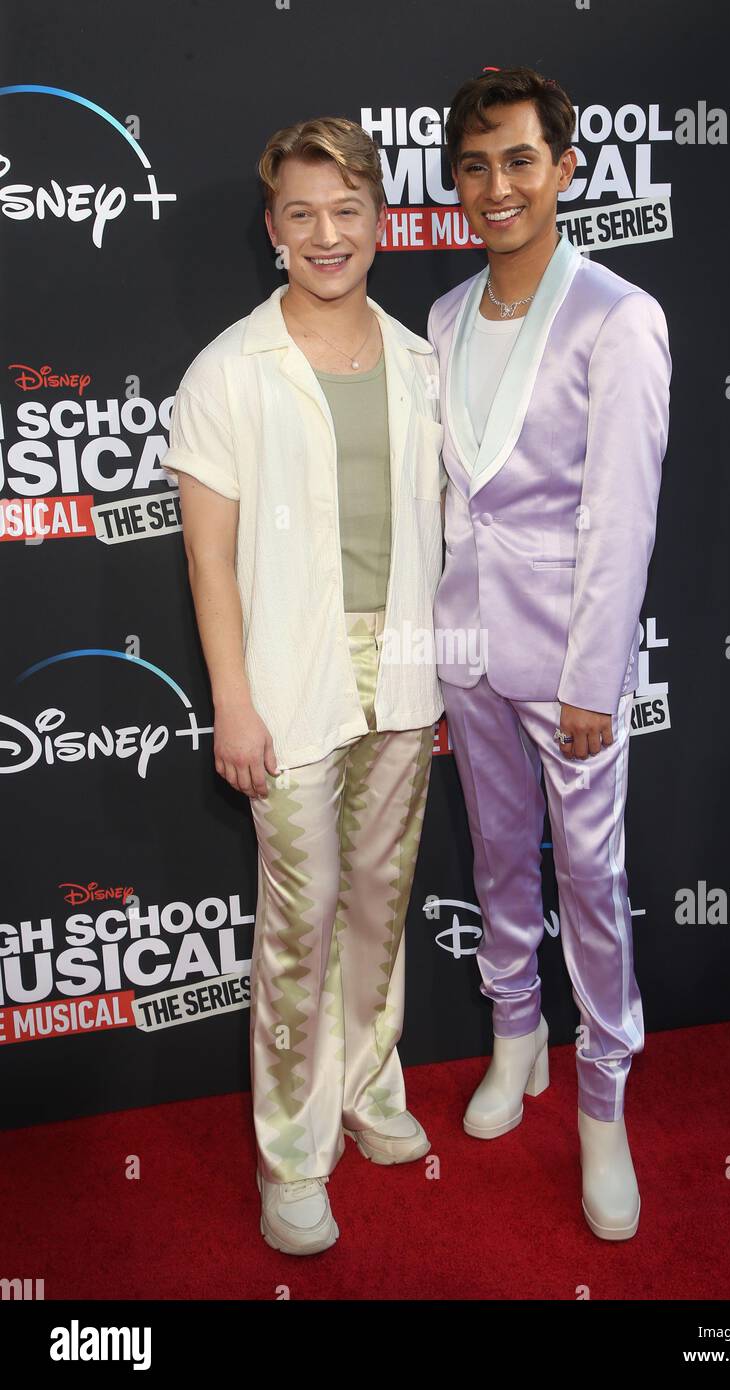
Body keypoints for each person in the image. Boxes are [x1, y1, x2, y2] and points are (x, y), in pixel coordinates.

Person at [161, 117, 446, 1255]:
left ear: (378, 219)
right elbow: (207, 557)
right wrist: (233, 698)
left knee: (380, 901)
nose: (327, 235)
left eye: (347, 211)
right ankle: (290, 1152)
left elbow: (439, 536)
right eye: (301, 213)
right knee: (299, 919)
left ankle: (369, 1087)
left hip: (406, 672)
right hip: (285, 679)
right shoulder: (230, 370)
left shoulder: (420, 359)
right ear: (272, 226)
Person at [428, 67, 671, 1240]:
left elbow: (620, 516)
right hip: (464, 646)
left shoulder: (619, 316)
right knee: (495, 858)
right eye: (474, 165)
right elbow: (447, 500)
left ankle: (601, 1103)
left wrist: (592, 679)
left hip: (565, 665)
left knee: (592, 883)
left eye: (519, 160)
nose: (496, 185)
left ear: (565, 168)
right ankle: (513, 1031)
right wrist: (430, 651)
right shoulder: (442, 315)